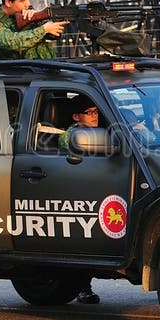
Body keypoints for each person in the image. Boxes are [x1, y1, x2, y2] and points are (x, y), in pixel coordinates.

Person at [58, 96, 102, 304]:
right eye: (89, 112)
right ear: (76, 116)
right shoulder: (70, 136)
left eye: (96, 112)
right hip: (76, 193)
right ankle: (82, 287)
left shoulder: (98, 132)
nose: (95, 116)